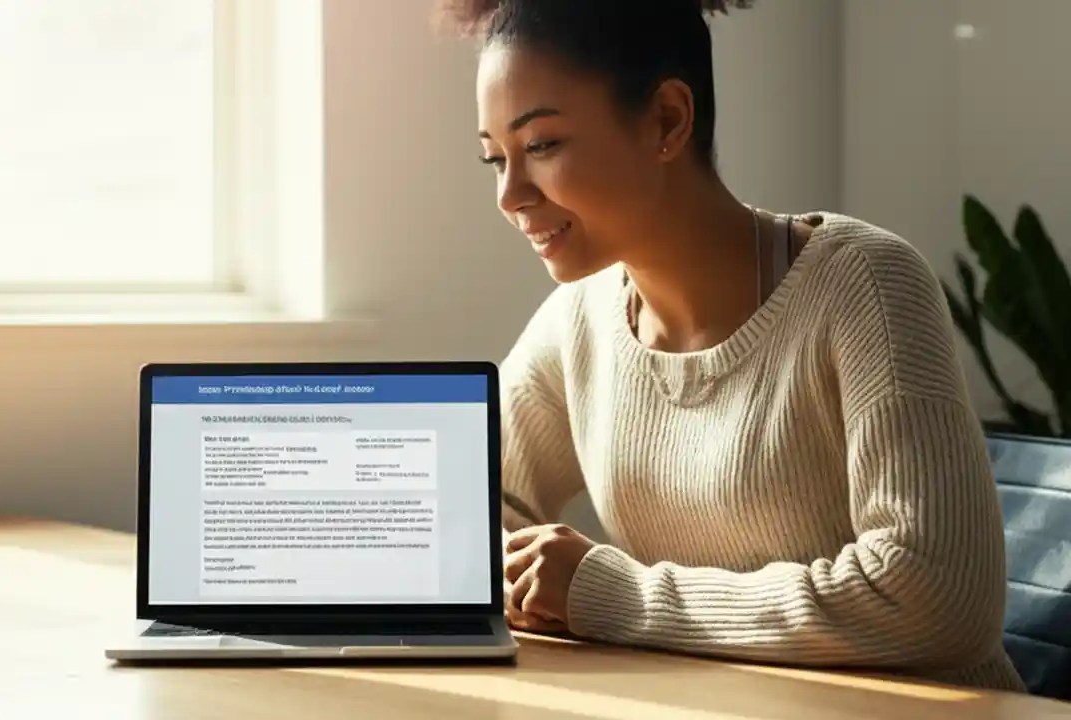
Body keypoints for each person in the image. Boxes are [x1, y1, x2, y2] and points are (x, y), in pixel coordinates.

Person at [438, 0, 1025, 692]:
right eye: (493, 158)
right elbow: (466, 508)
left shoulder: (863, 284)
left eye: (541, 146)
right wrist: (523, 578)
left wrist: (615, 596)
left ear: (667, 120)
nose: (509, 194)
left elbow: (938, 598)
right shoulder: (581, 319)